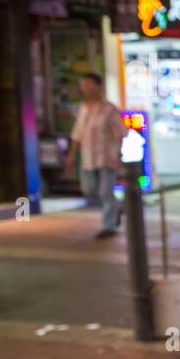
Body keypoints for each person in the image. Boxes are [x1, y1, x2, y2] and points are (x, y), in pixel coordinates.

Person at [64, 73, 126, 240]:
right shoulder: (83, 108)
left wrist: (119, 154)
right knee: (89, 189)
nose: (86, 89)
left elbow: (121, 132)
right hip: (88, 157)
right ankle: (116, 208)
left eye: (89, 85)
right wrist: (71, 155)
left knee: (106, 190)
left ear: (98, 86)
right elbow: (77, 134)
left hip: (107, 156)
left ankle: (109, 225)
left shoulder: (109, 109)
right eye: (83, 85)